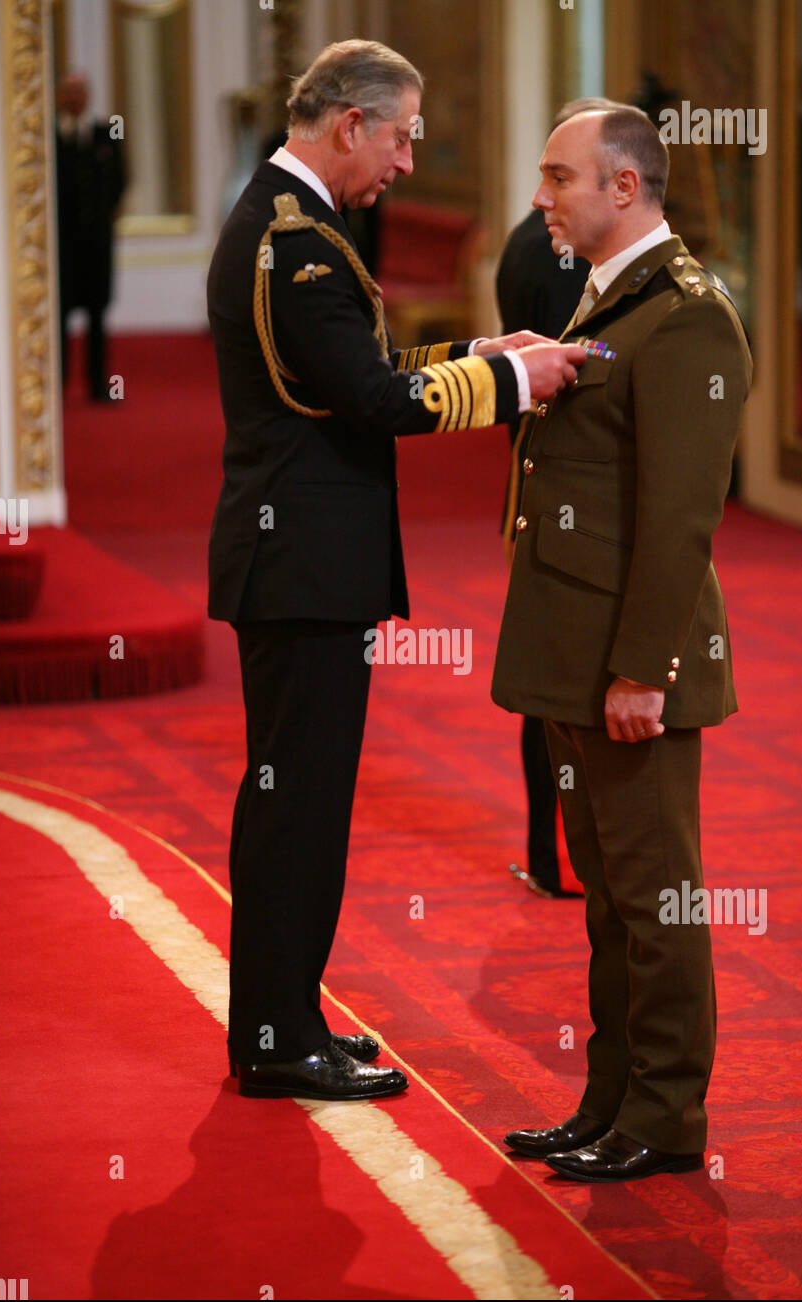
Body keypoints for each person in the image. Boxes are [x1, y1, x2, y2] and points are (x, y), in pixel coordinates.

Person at [206, 40, 585, 1102]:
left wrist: (478, 351)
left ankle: (285, 1014)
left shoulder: (300, 229)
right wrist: (510, 379)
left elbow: (349, 376)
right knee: (298, 809)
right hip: (301, 569)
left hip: (299, 563)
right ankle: (278, 1039)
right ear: (349, 126)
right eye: (402, 135)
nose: (408, 161)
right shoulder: (300, 242)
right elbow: (374, 403)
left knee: (299, 805)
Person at [492, 100, 752, 1181]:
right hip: (573, 649)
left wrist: (643, 667)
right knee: (606, 894)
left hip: (626, 662)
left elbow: (679, 517)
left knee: (655, 897)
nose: (541, 198)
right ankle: (609, 1099)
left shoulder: (687, 316)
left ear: (623, 188)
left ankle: (665, 1116)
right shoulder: (611, 295)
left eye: (557, 177)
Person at [496, 181, 590, 900]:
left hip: (529, 483)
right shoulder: (567, 252)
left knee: (548, 672)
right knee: (564, 677)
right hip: (572, 494)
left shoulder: (523, 240)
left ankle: (548, 853)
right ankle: (561, 859)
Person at [54, 72, 124, 401]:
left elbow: (120, 181)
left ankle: (98, 386)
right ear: (56, 96)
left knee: (97, 316)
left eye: (79, 91)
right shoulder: (46, 139)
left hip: (96, 244)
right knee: (57, 316)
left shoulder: (107, 134)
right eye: (67, 92)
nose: (73, 98)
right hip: (58, 246)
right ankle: (56, 385)